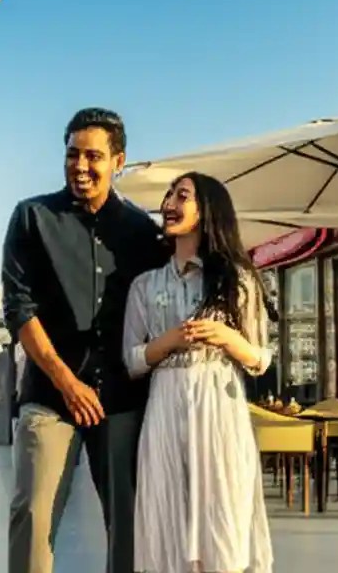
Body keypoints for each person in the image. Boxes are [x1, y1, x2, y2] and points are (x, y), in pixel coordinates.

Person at [2, 107, 167, 573]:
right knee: (31, 517)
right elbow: (19, 310)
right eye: (72, 154)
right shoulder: (31, 218)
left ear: (119, 160)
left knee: (130, 523)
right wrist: (66, 382)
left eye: (93, 155)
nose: (80, 166)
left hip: (122, 399)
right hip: (50, 397)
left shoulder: (142, 232)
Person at [123, 173, 274, 573]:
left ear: (207, 210)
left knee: (222, 517)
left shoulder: (238, 281)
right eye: (169, 194)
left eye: (182, 195)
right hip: (166, 404)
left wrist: (226, 337)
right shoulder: (144, 285)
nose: (170, 203)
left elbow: (260, 358)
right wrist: (170, 340)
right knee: (167, 515)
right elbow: (132, 361)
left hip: (219, 406)